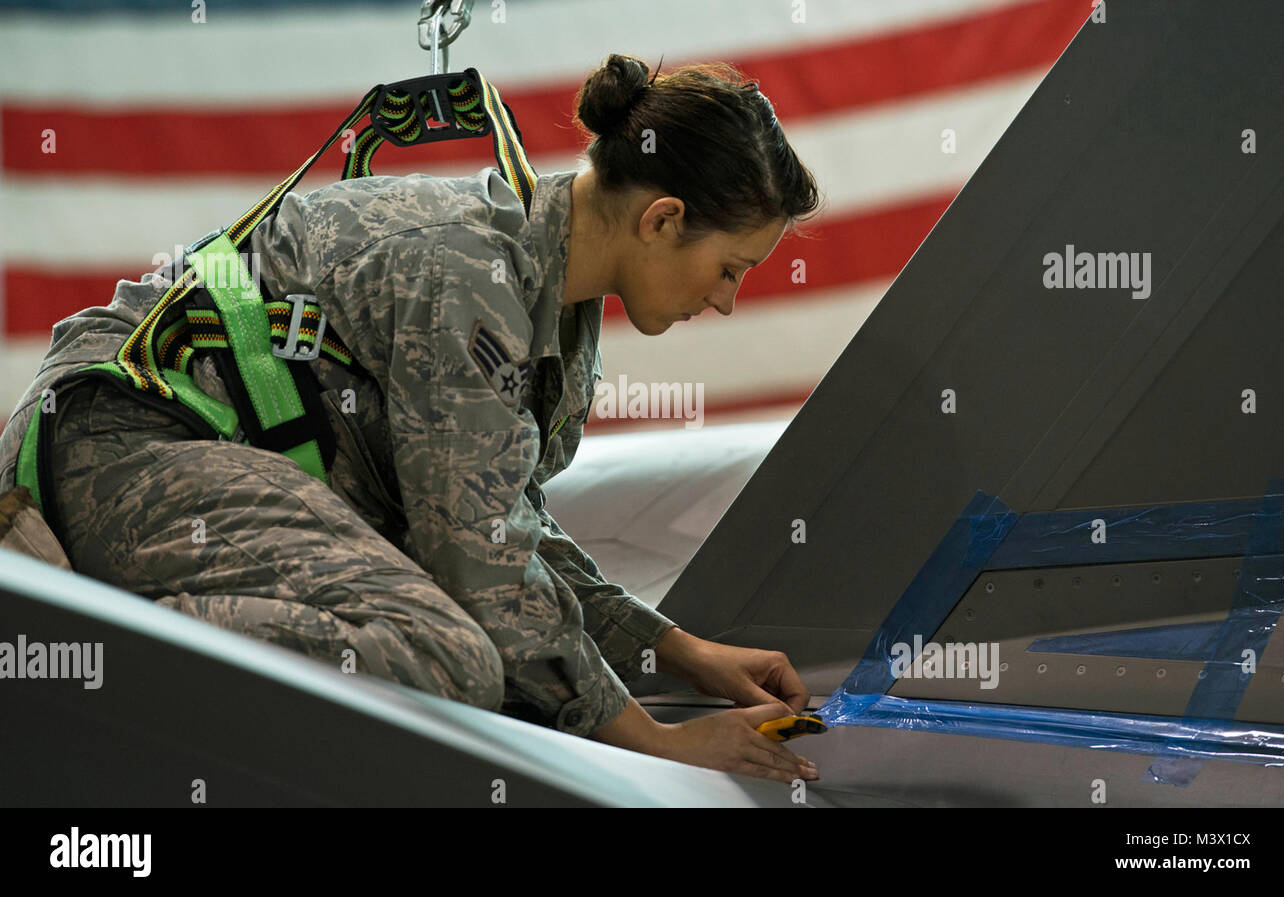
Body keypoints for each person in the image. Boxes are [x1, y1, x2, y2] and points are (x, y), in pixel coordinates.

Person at [0, 53, 823, 783]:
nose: (724, 300)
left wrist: (677, 650)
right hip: (122, 435)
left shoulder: (549, 306)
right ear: (663, 219)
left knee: (470, 659)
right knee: (447, 655)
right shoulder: (468, 274)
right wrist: (660, 743)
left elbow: (498, 526)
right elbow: (486, 573)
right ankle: (65, 647)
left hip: (190, 449)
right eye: (731, 269)